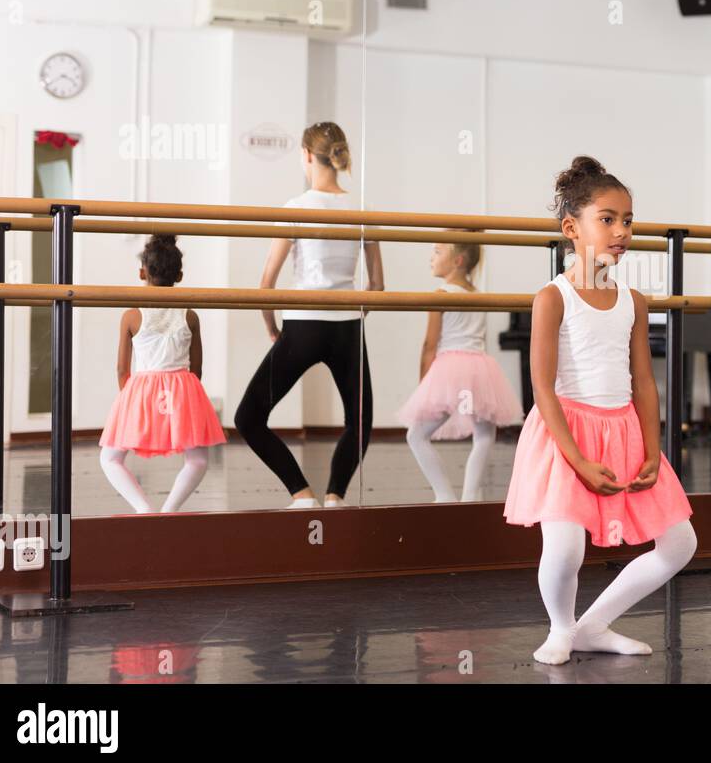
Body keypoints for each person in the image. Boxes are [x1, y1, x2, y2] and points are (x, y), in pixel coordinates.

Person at [503, 156, 697, 665]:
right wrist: (578, 459)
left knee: (680, 544)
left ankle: (592, 625)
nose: (621, 231)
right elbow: (541, 387)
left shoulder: (634, 300)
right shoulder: (553, 297)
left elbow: (645, 382)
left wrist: (653, 450)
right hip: (564, 432)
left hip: (625, 432)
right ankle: (561, 627)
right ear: (572, 228)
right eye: (607, 219)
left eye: (627, 220)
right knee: (566, 548)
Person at [234, 121, 383, 508]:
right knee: (360, 421)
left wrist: (273, 329)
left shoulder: (296, 208)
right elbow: (377, 287)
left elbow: (266, 284)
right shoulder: (362, 208)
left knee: (249, 417)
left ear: (305, 156)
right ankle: (335, 496)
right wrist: (350, 312)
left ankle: (302, 495)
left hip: (301, 327)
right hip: (347, 328)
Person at [99, 234, 225, 513]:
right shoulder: (190, 315)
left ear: (142, 273)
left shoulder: (131, 315)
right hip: (182, 387)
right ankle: (169, 510)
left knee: (110, 458)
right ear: (179, 275)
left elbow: (122, 368)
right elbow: (198, 367)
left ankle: (144, 509)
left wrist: (130, 400)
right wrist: (188, 397)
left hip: (142, 388)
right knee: (198, 460)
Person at [397, 238, 523, 502]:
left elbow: (429, 344)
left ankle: (444, 495)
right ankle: (470, 497)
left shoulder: (440, 295)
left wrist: (425, 386)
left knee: (416, 435)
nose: (431, 257)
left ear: (457, 261)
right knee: (485, 435)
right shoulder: (479, 295)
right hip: (480, 367)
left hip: (450, 367)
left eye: (437, 251)